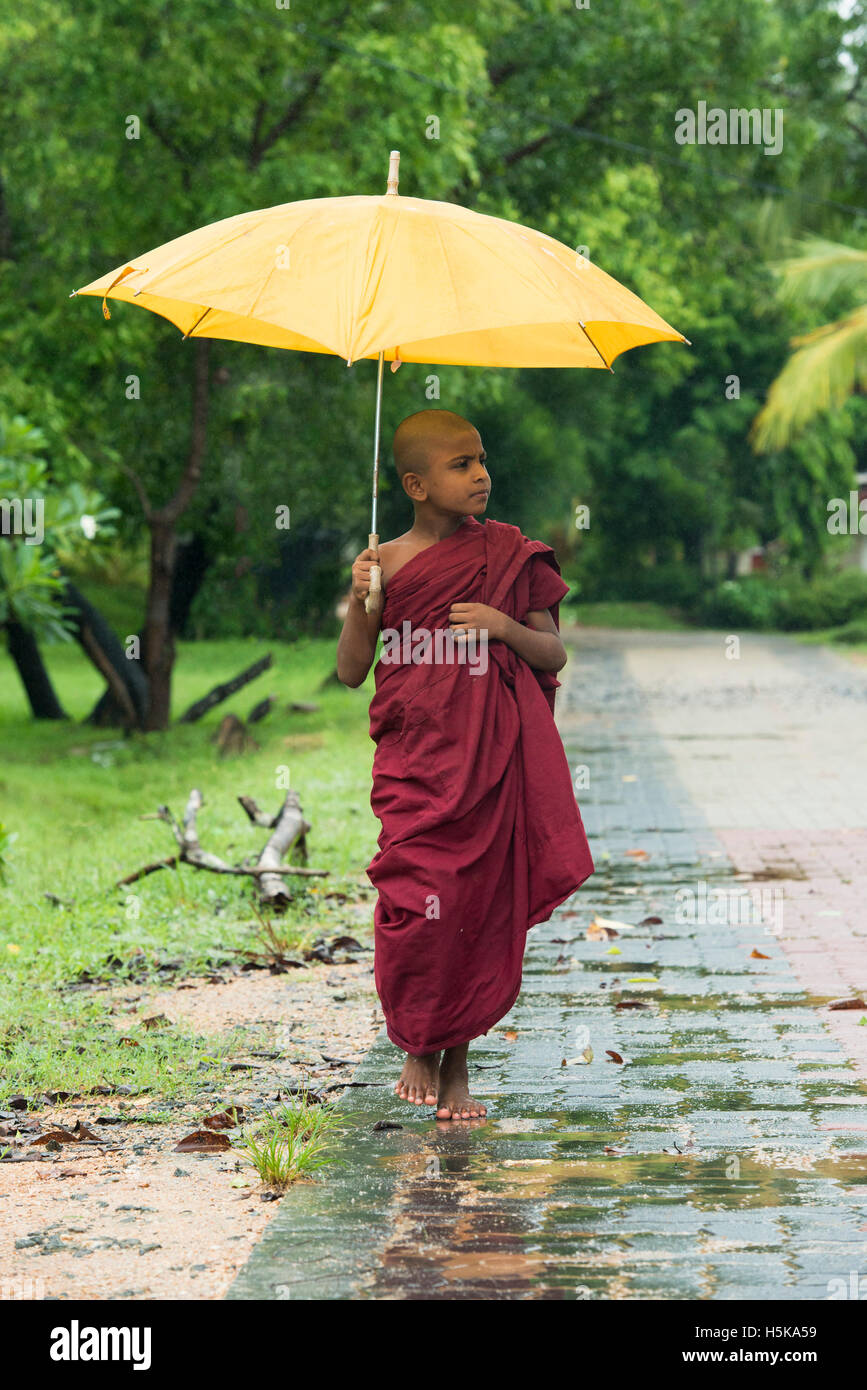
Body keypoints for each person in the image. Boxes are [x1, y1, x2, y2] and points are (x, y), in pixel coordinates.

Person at [337, 409, 594, 1120]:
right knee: (415, 895)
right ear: (415, 483)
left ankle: (455, 1064)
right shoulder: (381, 563)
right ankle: (417, 1039)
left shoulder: (511, 554)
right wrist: (363, 605)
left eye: (481, 459)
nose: (480, 474)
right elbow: (351, 671)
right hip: (416, 762)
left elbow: (552, 654)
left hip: (488, 761)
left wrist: (502, 626)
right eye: (460, 464)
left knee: (474, 906)